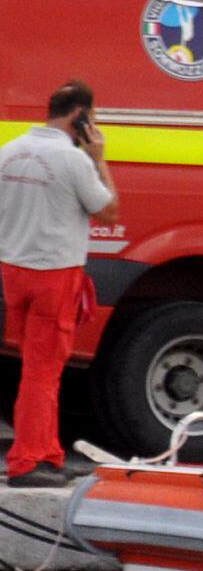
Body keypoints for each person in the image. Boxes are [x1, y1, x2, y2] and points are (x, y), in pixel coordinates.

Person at [1, 81, 115, 487]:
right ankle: (26, 462)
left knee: (38, 368)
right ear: (80, 117)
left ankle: (48, 453)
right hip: (54, 274)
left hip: (14, 270)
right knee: (42, 372)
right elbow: (109, 210)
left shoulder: (9, 152)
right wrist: (99, 158)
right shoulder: (73, 160)